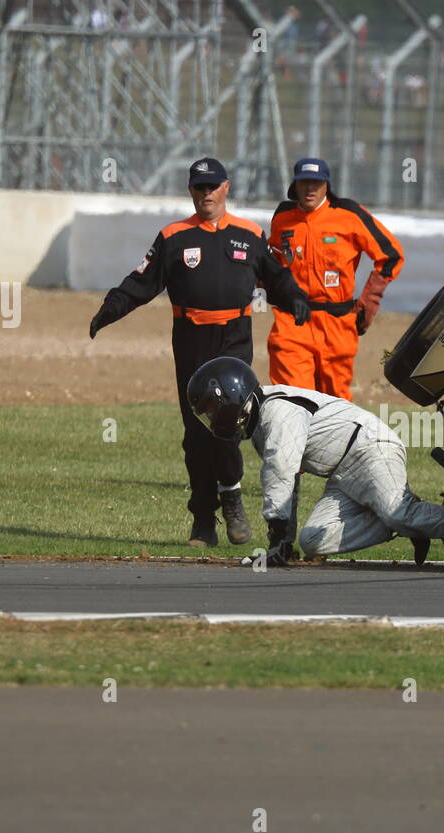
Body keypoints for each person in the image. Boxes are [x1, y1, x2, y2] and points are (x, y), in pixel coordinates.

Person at [88, 157, 310, 548]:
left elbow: (277, 278)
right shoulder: (173, 237)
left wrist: (293, 297)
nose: (206, 194)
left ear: (226, 188)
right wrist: (111, 309)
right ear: (190, 191)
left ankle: (233, 498)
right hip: (191, 341)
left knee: (229, 426)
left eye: (212, 187)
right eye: (198, 188)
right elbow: (141, 282)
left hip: (235, 340)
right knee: (196, 434)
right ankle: (202, 520)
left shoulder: (249, 233)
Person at [185, 357, 444, 567]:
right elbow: (289, 479)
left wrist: (276, 539)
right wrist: (285, 544)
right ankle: (405, 522)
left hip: (370, 449)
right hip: (343, 473)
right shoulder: (262, 419)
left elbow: (280, 473)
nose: (211, 417)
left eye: (211, 407)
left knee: (398, 513)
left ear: (230, 394)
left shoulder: (276, 412)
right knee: (314, 541)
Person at [267, 157, 404, 402]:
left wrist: (369, 302)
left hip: (337, 323)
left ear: (326, 186)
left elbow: (391, 256)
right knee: (291, 399)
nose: (310, 188)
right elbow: (272, 264)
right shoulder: (283, 218)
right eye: (304, 182)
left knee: (335, 404)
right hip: (292, 321)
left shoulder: (348, 214)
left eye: (316, 183)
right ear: (295, 186)